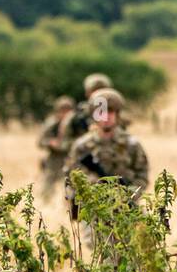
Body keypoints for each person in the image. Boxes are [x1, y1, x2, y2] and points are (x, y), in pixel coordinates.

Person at [63, 87, 149, 253]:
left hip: (125, 208)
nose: (106, 117)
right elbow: (70, 178)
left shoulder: (131, 145)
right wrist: (80, 201)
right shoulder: (82, 146)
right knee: (101, 253)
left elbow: (142, 175)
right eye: (100, 112)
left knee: (134, 252)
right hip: (94, 210)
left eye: (110, 112)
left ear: (117, 115)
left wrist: (129, 195)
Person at [39, 95, 76, 199]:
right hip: (54, 159)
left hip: (71, 158)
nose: (65, 114)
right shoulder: (52, 124)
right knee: (47, 187)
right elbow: (41, 141)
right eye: (62, 110)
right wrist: (51, 142)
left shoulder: (75, 124)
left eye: (67, 110)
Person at [60, 72, 114, 143]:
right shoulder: (76, 116)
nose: (99, 94)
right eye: (95, 90)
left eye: (102, 90)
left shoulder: (115, 114)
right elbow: (64, 143)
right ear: (87, 93)